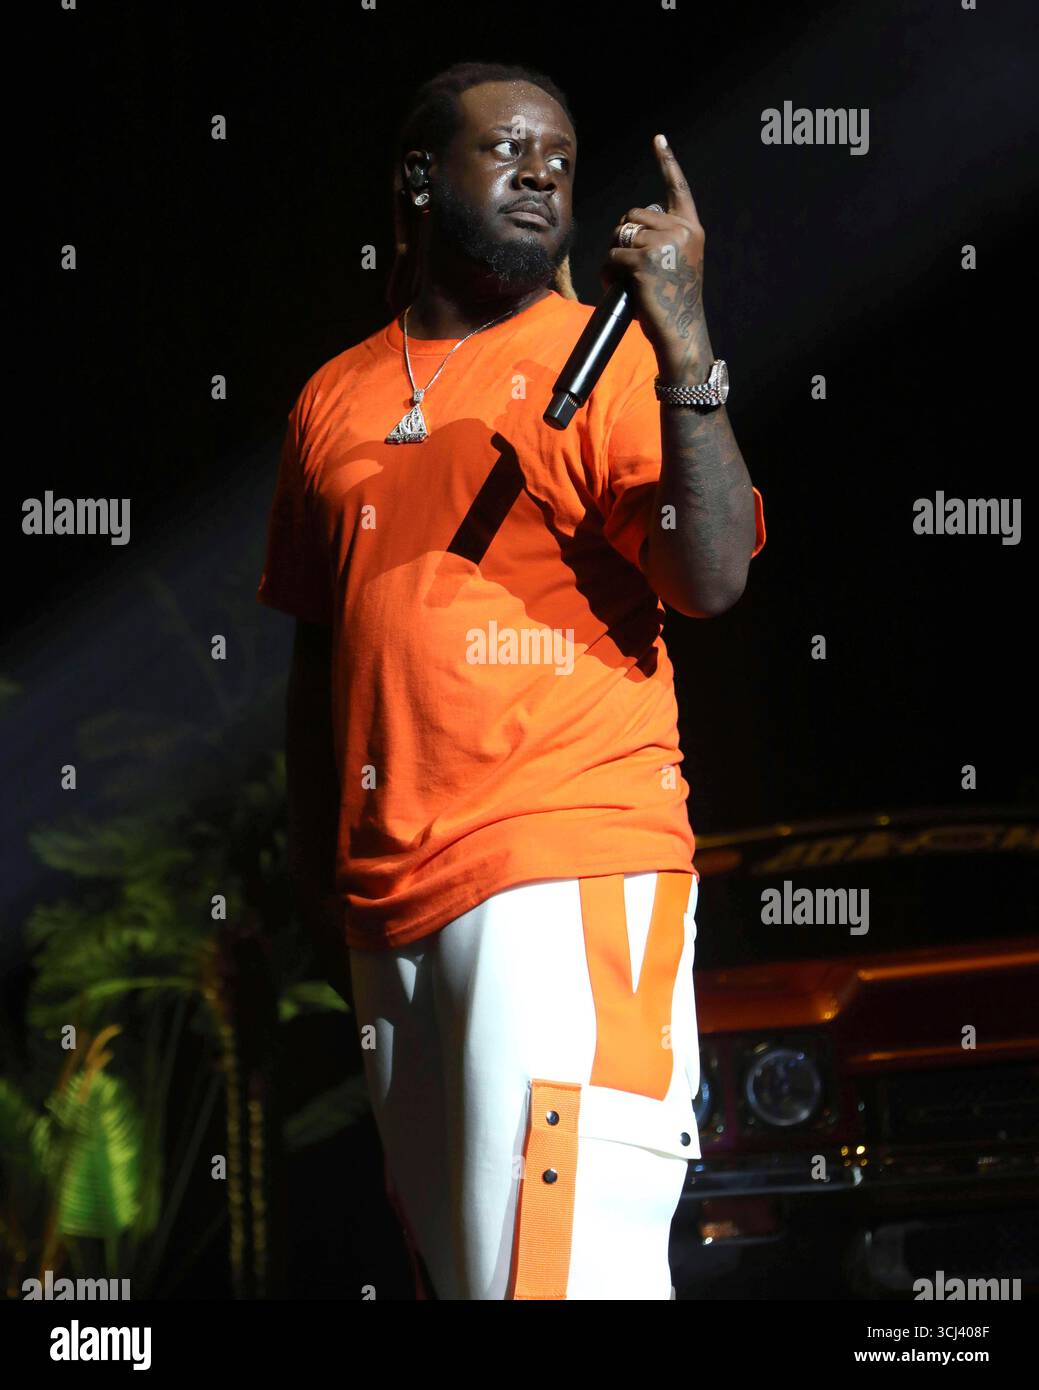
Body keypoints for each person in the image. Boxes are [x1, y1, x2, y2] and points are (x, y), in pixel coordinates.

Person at [257, 60, 766, 1300]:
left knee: (559, 1275)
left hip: (563, 860)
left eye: (562, 161)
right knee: (469, 1278)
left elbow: (710, 576)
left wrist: (686, 339)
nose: (543, 174)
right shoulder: (334, 395)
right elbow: (321, 654)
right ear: (419, 179)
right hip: (391, 907)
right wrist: (321, 883)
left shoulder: (606, 361)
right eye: (508, 149)